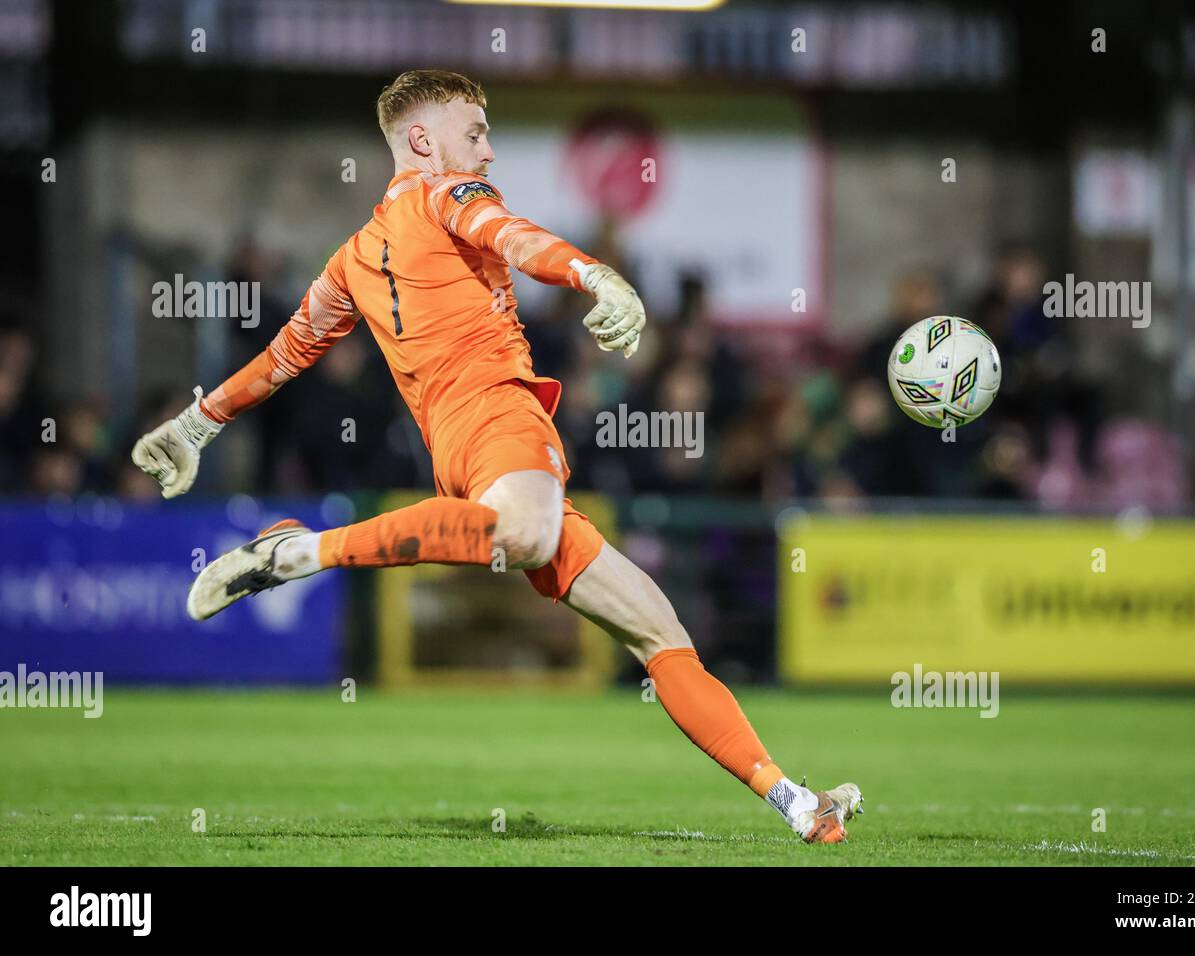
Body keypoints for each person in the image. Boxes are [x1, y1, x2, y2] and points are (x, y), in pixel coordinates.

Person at [130, 69, 860, 843]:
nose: (488, 149)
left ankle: (796, 804)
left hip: (465, 451)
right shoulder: (446, 195)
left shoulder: (352, 258)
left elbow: (287, 350)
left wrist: (199, 424)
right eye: (474, 132)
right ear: (424, 142)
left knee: (659, 632)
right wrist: (595, 275)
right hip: (500, 416)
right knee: (526, 537)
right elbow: (515, 237)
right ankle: (299, 552)